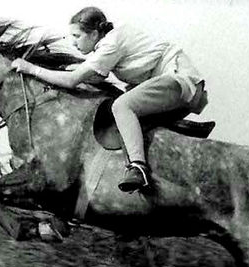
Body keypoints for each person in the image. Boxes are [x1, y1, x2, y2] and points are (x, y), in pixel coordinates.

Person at [11, 6, 207, 193]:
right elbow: (92, 76)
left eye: (77, 36)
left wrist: (31, 69)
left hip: (178, 79)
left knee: (122, 105)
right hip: (177, 83)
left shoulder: (110, 44)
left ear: (94, 34)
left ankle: (138, 167)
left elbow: (72, 81)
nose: (73, 43)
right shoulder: (110, 40)